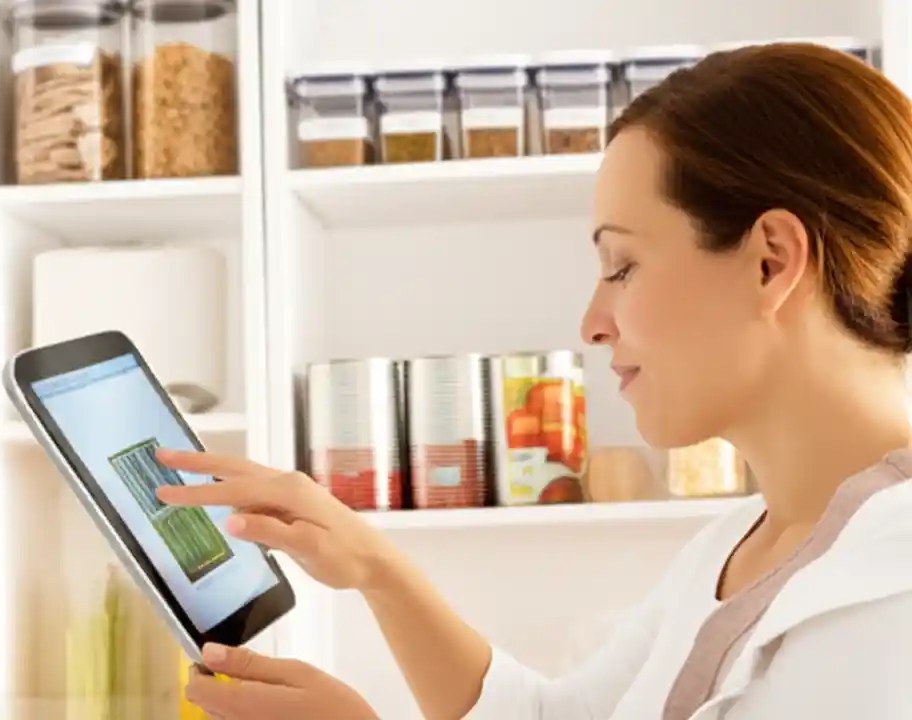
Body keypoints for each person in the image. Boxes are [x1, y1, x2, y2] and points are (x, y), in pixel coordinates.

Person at [153, 41, 912, 720]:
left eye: (622, 265)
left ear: (770, 261)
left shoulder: (891, 591)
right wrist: (375, 568)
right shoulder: (735, 545)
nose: (592, 322)